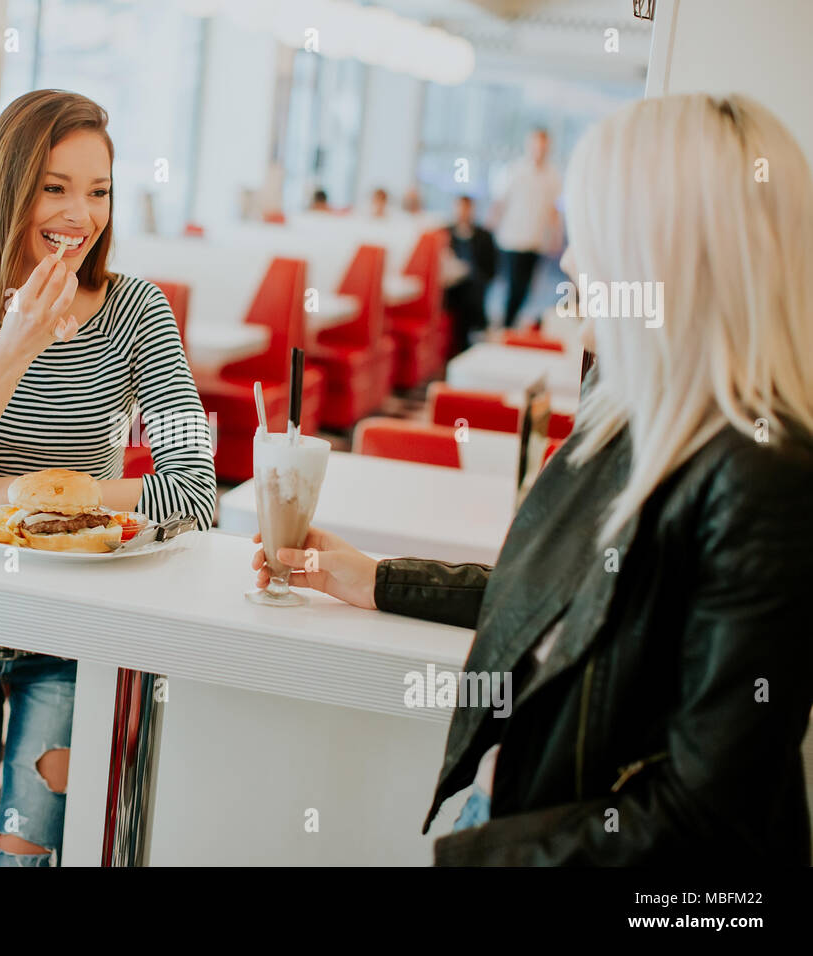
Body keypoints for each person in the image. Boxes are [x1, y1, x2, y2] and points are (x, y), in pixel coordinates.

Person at [251, 94, 813, 864]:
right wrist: (374, 578)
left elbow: (705, 820)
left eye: (591, 235)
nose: (571, 262)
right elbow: (570, 605)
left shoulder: (765, 479)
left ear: (663, 254)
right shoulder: (627, 415)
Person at [0, 90, 216, 867]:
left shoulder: (139, 311)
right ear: (8, 187)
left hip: (73, 626)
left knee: (23, 858)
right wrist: (14, 346)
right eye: (55, 187)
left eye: (98, 190)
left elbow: (196, 494)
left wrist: (22, 496)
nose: (81, 214)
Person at [489, 127, 562, 327]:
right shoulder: (515, 171)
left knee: (525, 288)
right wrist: (491, 228)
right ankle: (504, 325)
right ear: (530, 146)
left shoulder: (553, 176)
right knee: (512, 286)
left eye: (544, 147)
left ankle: (509, 324)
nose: (540, 150)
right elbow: (499, 202)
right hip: (511, 239)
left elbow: (554, 210)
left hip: (535, 241)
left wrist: (556, 235)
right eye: (537, 146)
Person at [443, 194, 497, 355]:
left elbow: (490, 268)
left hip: (474, 285)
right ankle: (478, 327)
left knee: (471, 291)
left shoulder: (484, 236)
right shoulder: (445, 233)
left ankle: (465, 340)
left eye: (466, 208)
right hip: (451, 287)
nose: (463, 212)